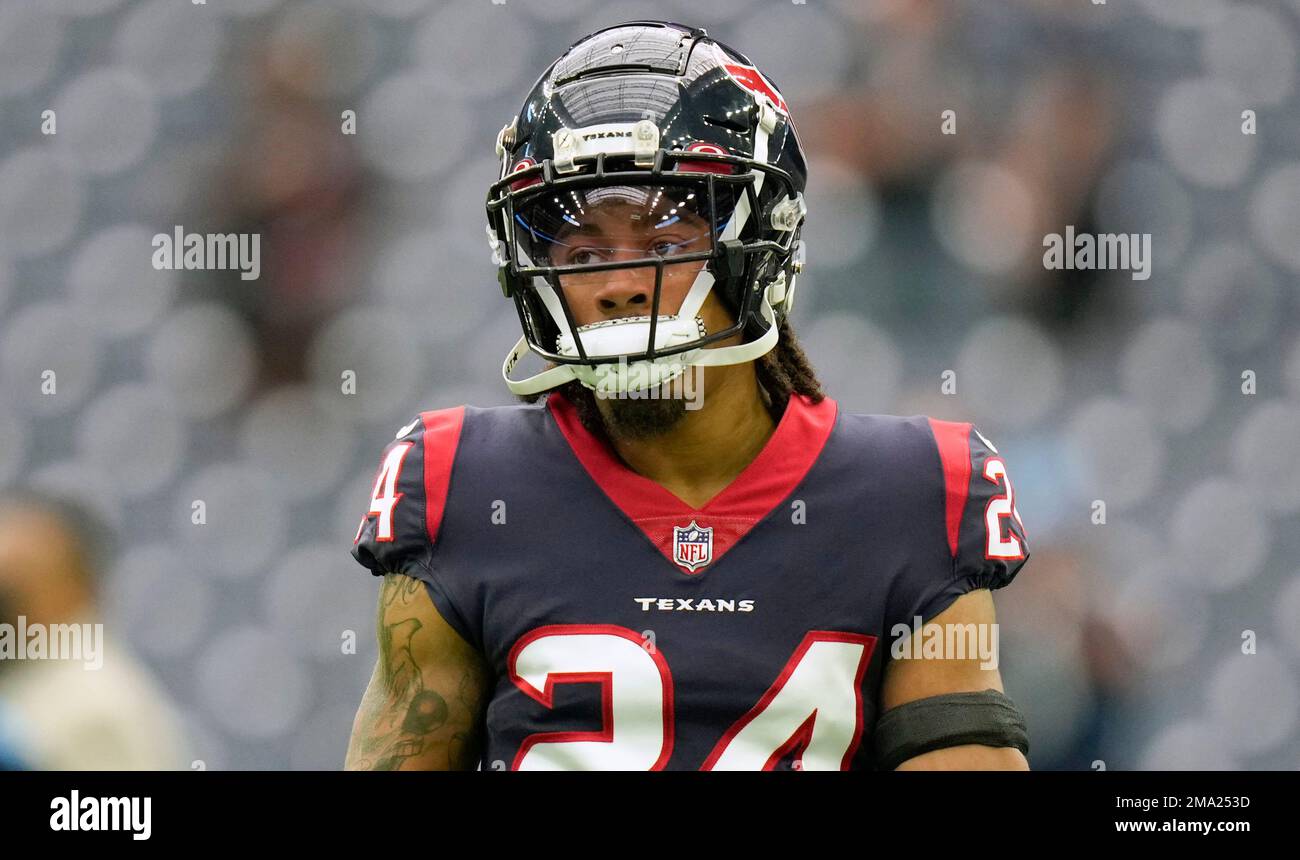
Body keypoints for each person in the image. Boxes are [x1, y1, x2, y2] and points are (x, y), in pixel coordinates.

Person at [346, 20, 1031, 771]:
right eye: (581, 252)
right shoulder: (460, 485)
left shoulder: (913, 493)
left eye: (665, 245)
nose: (617, 284)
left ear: (761, 250)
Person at [0, 490, 188, 770]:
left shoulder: (93, 701)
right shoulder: (31, 670)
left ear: (75, 584)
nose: (7, 589)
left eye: (21, 574)